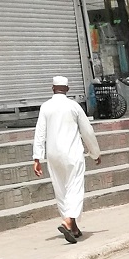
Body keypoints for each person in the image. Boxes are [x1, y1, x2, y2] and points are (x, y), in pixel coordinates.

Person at [32, 75, 101, 244]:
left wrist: (37, 158)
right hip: (72, 153)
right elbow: (87, 131)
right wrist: (95, 153)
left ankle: (73, 228)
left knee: (61, 190)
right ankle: (68, 221)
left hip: (53, 155)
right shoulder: (73, 106)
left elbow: (40, 133)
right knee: (75, 187)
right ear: (67, 89)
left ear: (52, 88)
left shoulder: (46, 107)